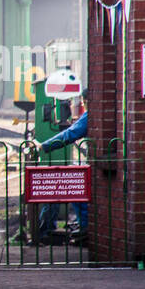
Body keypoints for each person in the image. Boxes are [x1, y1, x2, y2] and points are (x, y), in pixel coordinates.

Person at [36, 89, 89, 243]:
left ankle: (85, 226)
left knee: (76, 190)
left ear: (85, 101)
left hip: (93, 164)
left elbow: (70, 134)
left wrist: (44, 146)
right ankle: (83, 225)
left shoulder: (89, 116)